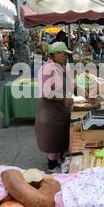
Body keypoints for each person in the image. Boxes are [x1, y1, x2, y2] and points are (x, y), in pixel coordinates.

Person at [35, 42, 73, 173]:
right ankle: (51, 165)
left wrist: (84, 93)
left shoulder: (62, 66)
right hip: (49, 109)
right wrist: (64, 98)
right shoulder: (47, 69)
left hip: (60, 107)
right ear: (55, 54)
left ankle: (59, 160)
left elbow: (70, 84)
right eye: (64, 54)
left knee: (60, 135)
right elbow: (47, 93)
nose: (66, 57)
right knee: (52, 137)